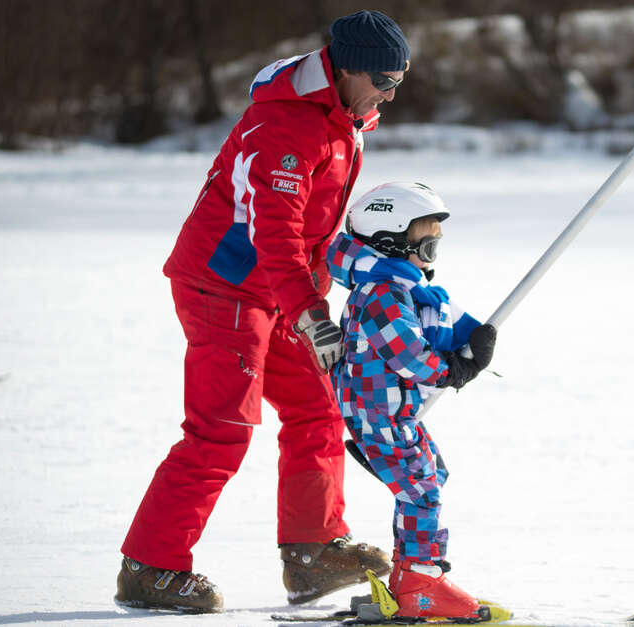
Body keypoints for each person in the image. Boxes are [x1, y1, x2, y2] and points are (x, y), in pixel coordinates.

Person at [115, 10, 412, 613]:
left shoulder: (341, 119)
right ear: (347, 66)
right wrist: (311, 314)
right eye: (384, 79)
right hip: (223, 286)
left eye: (400, 80)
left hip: (276, 291)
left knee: (319, 405)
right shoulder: (287, 125)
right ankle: (150, 568)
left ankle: (314, 551)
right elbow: (273, 233)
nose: (390, 92)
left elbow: (317, 229)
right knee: (222, 428)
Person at [326, 182, 497, 620]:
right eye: (426, 242)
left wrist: (472, 343)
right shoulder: (381, 294)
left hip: (390, 409)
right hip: (377, 409)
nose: (432, 252)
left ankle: (408, 574)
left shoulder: (399, 287)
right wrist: (450, 370)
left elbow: (437, 323)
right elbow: (407, 354)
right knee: (421, 487)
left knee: (430, 475)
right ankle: (422, 583)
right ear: (391, 240)